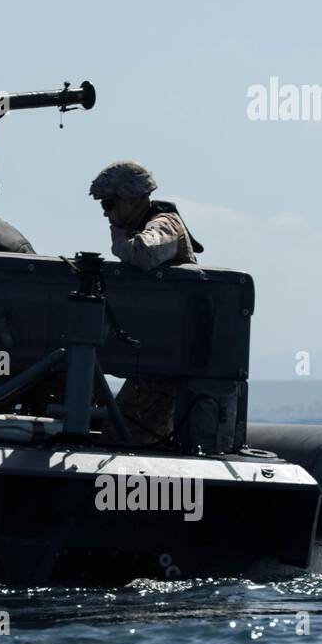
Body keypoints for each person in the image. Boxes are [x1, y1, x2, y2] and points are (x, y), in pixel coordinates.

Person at [88, 161, 204, 445]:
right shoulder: (145, 225)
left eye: (109, 203)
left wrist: (118, 236)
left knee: (127, 438)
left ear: (132, 198)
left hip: (166, 366)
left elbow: (143, 253)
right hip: (155, 359)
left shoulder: (164, 224)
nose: (106, 213)